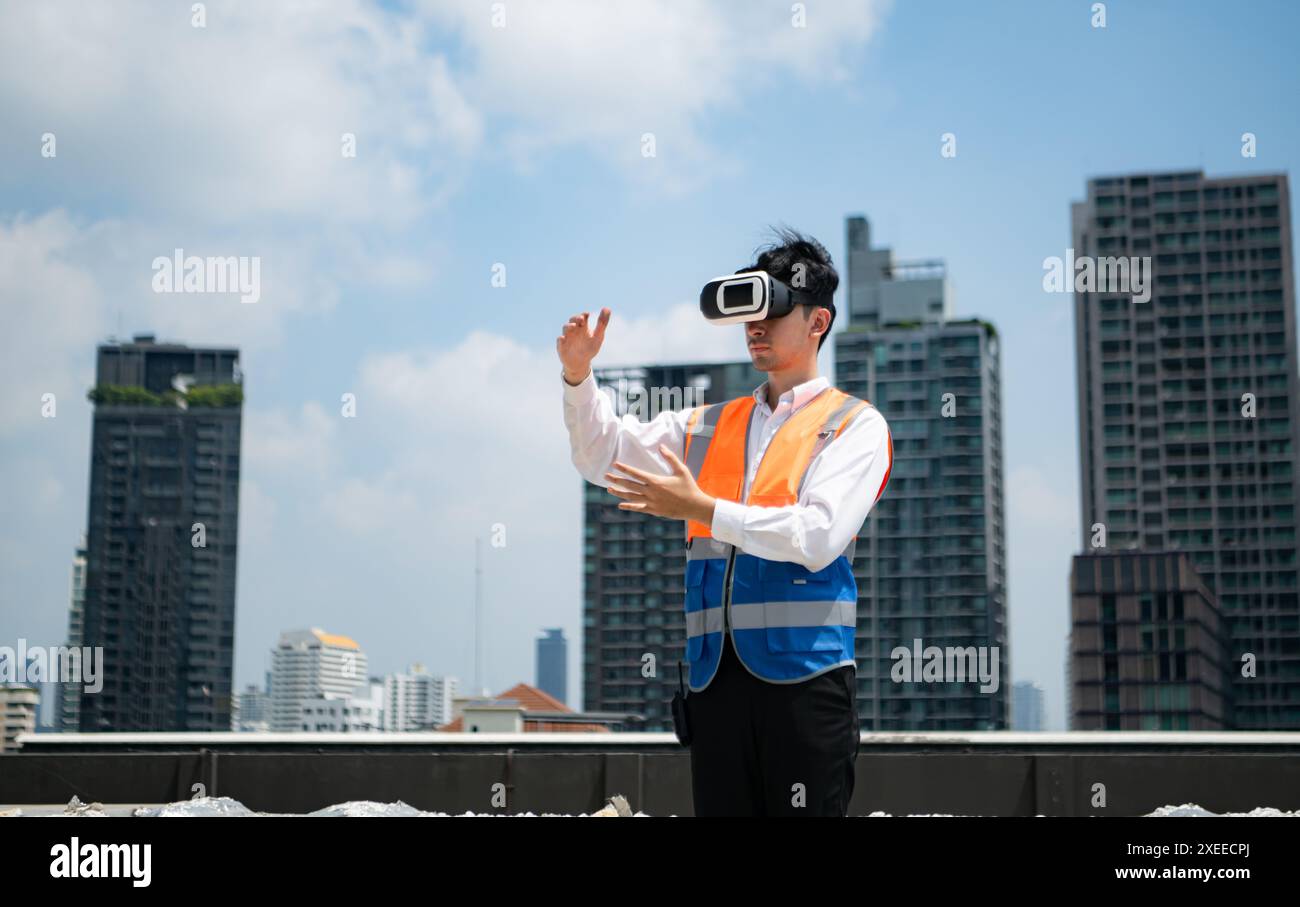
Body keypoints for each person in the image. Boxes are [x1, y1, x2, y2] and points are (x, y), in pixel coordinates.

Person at [556, 228, 893, 816]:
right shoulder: (705, 425)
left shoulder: (854, 426)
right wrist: (580, 379)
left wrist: (703, 510)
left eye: (773, 313)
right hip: (714, 687)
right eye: (749, 316)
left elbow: (816, 537)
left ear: (818, 322)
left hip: (807, 687)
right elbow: (601, 456)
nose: (755, 328)